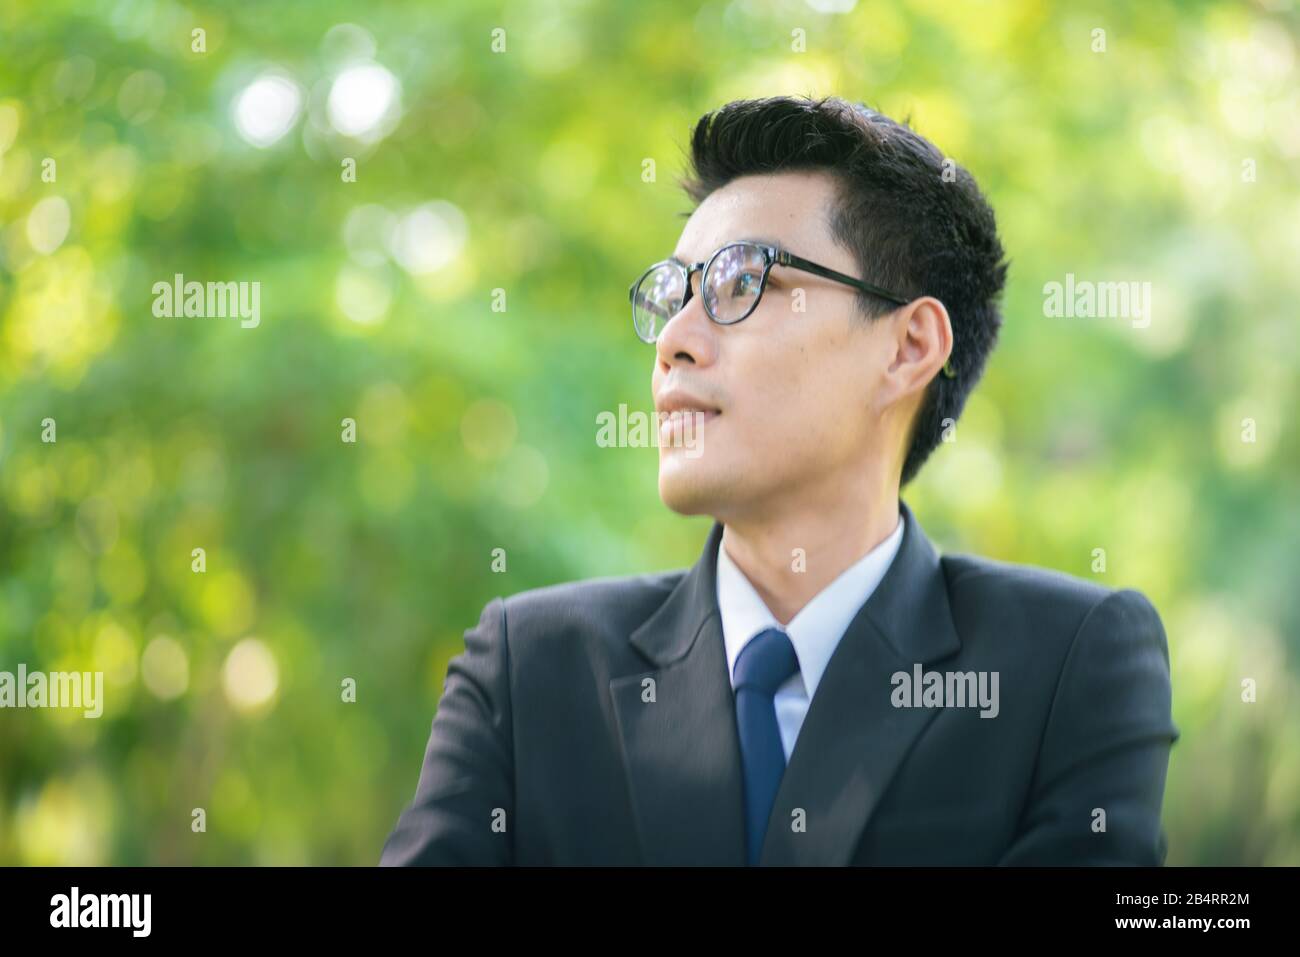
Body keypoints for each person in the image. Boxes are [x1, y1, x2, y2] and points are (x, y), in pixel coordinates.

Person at [380, 94, 1178, 866]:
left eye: (742, 282)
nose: (676, 343)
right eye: (674, 295)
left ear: (907, 347)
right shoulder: (531, 674)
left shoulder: (1067, 665)